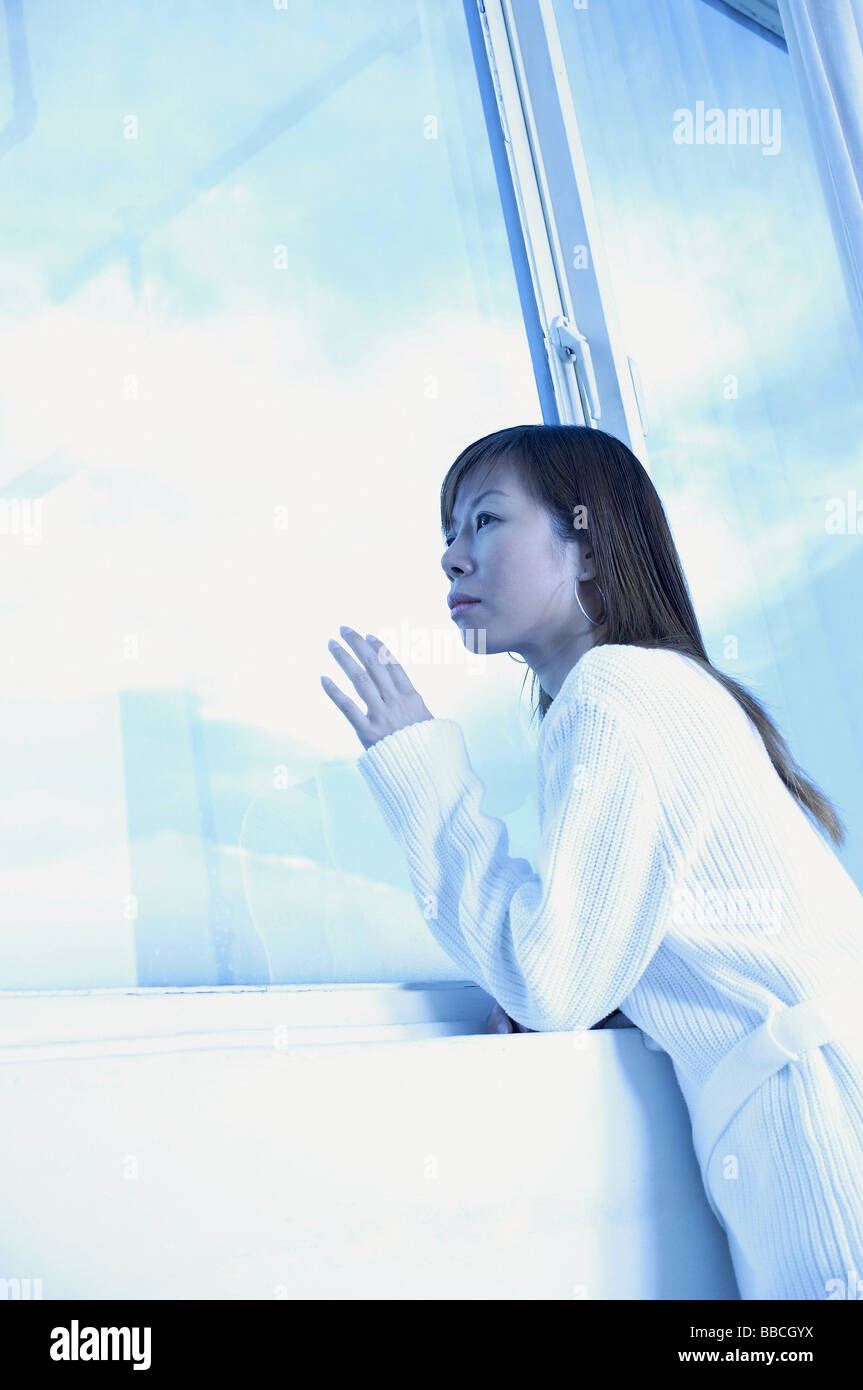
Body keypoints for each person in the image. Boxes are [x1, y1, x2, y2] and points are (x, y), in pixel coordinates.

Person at [320, 423, 863, 1300]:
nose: (452, 560)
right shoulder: (658, 688)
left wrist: (419, 768)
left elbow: (552, 978)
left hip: (824, 1147)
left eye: (485, 521)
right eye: (449, 534)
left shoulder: (614, 694)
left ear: (587, 544)